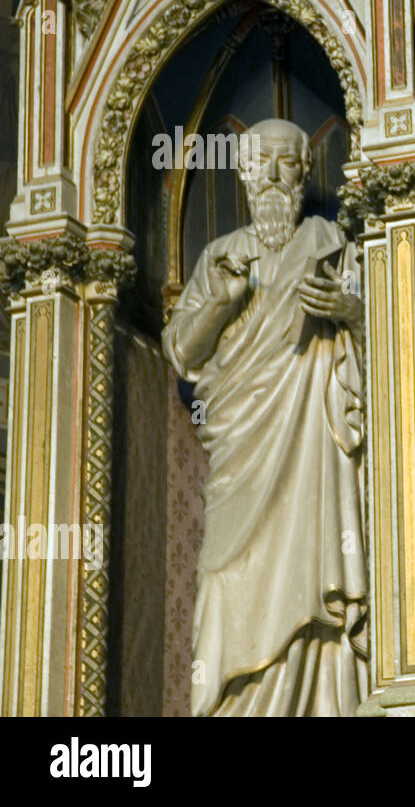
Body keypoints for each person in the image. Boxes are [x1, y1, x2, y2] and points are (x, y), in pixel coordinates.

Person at [162, 118, 369, 715]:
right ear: (245, 173)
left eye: (288, 163)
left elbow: (394, 351)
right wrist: (221, 304)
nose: (276, 176)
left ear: (305, 174)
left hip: (314, 450)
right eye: (263, 163)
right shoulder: (220, 256)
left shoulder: (332, 245)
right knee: (224, 579)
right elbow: (180, 350)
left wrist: (352, 312)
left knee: (314, 582)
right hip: (241, 450)